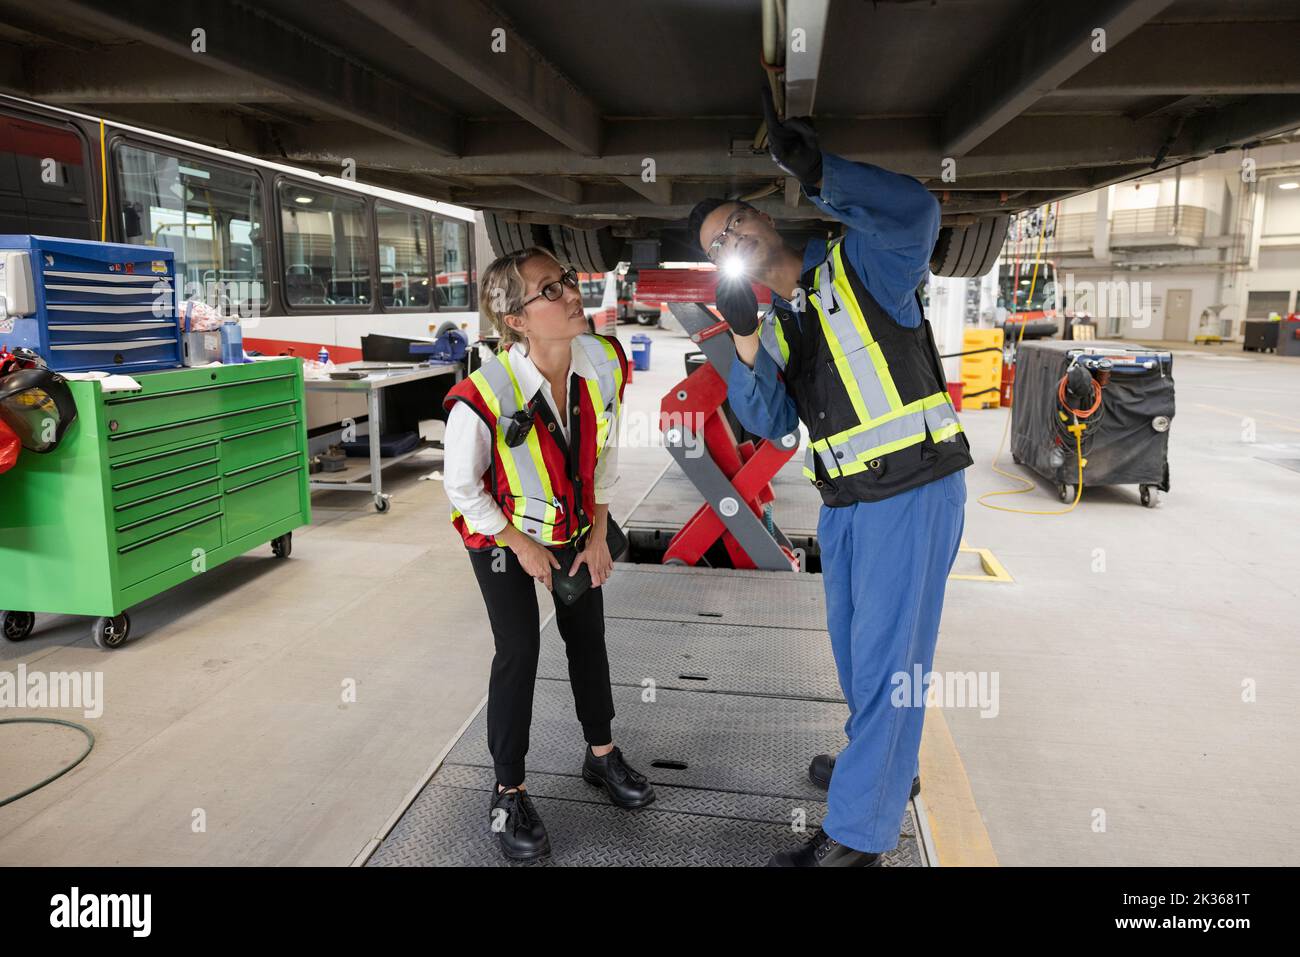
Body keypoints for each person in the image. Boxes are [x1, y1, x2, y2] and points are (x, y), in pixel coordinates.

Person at [686, 89, 972, 867]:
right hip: (849, 503)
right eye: (717, 244)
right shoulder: (771, 322)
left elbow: (916, 214)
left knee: (888, 667)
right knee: (857, 658)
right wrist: (742, 340)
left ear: (767, 221)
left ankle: (858, 838)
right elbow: (769, 421)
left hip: (910, 489)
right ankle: (881, 769)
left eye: (736, 223)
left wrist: (822, 170)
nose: (732, 240)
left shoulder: (861, 263)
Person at [442, 247, 655, 861]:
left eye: (565, 280)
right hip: (501, 532)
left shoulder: (602, 361)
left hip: (572, 525)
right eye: (549, 290)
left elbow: (605, 450)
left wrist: (597, 532)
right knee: (519, 648)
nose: (569, 293)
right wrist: (518, 544)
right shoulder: (483, 396)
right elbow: (462, 487)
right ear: (516, 320)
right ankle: (508, 788)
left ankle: (601, 756)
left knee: (587, 634)